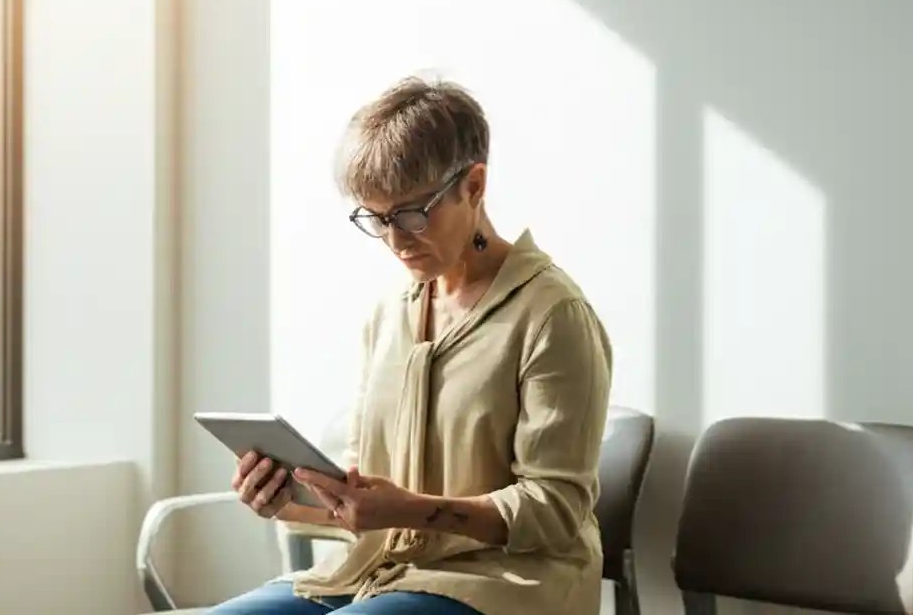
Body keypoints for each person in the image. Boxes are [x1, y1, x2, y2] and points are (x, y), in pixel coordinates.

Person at [211, 77, 613, 615]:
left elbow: (556, 508)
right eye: (376, 218)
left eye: (412, 213)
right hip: (379, 573)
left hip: (506, 586)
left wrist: (411, 510)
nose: (396, 239)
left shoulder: (553, 316)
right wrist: (291, 498)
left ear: (474, 186)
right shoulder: (388, 317)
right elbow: (367, 498)